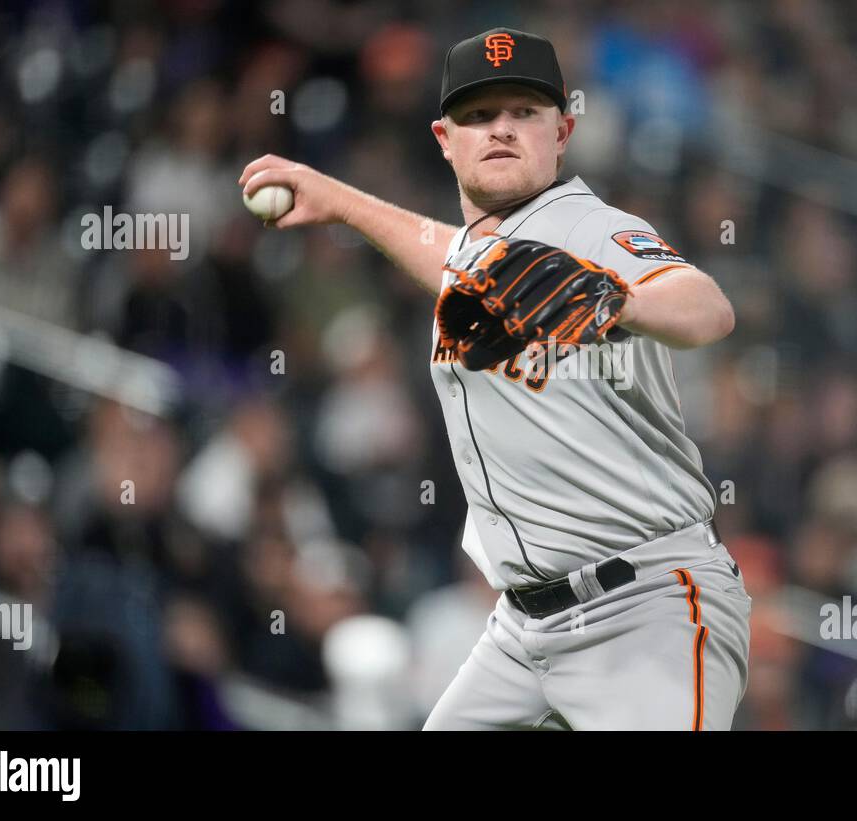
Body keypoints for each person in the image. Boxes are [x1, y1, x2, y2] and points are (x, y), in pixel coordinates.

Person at [239, 27, 750, 730]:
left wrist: (618, 299)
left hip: (645, 609)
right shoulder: (484, 253)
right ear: (445, 138)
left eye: (523, 113)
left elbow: (706, 310)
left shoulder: (591, 229)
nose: (501, 129)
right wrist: (338, 201)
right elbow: (452, 258)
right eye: (479, 116)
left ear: (563, 130)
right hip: (522, 631)